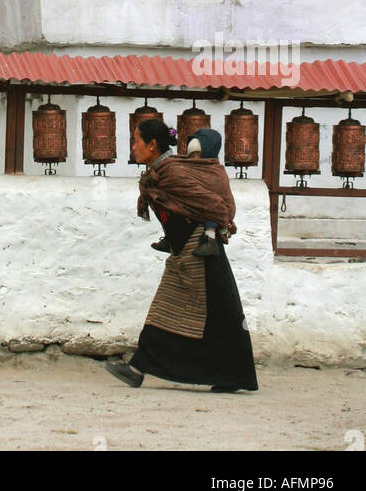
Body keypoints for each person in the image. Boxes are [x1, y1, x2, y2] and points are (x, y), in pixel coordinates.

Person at [105, 117, 258, 393]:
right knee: (169, 310)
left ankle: (232, 375)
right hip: (184, 253)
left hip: (200, 253)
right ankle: (137, 368)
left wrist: (211, 228)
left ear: (152, 145)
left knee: (219, 317)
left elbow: (216, 207)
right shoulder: (158, 172)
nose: (133, 147)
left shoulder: (171, 173)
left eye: (136, 141)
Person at [150, 128, 233, 257]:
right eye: (191, 155)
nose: (194, 159)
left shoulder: (215, 171)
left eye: (198, 155)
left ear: (208, 151)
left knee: (212, 206)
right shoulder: (187, 169)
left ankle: (209, 240)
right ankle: (170, 237)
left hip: (213, 214)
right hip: (191, 215)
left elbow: (220, 197)